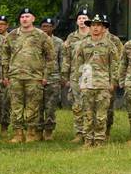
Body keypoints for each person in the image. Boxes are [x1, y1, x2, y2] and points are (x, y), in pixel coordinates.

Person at [1, 7, 55, 143]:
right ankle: (18, 134)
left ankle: (31, 133)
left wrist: (46, 76)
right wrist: (5, 75)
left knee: (33, 106)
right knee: (16, 106)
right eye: (22, 17)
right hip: (15, 76)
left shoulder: (41, 35)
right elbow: (5, 56)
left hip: (34, 76)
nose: (24, 19)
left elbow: (50, 57)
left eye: (27, 16)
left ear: (33, 19)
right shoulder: (12, 35)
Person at [76, 14, 120, 147]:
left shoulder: (109, 45)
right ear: (90, 27)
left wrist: (113, 82)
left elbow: (115, 65)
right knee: (87, 113)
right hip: (87, 84)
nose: (95, 28)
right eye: (93, 25)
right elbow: (79, 64)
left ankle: (100, 139)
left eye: (99, 25)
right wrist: (80, 82)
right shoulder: (83, 44)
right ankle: (88, 139)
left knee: (101, 115)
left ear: (103, 28)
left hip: (103, 84)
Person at [64, 8, 92, 143]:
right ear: (76, 21)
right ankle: (79, 132)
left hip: (91, 76)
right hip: (75, 75)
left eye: (85, 18)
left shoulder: (94, 36)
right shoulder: (71, 37)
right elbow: (66, 57)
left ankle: (90, 132)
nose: (82, 21)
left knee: (90, 104)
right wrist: (65, 75)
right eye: (80, 18)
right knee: (77, 105)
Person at [39, 17, 64, 140]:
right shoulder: (36, 40)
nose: (45, 28)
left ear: (53, 28)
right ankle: (37, 131)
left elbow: (62, 60)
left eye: (48, 26)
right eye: (43, 26)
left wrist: (62, 77)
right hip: (37, 77)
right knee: (37, 106)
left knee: (50, 107)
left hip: (53, 78)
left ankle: (48, 131)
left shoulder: (59, 42)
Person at [0, 15, 12, 133]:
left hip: (7, 75)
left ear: (7, 26)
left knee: (6, 102)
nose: (0, 26)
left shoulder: (11, 38)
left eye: (2, 24)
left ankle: (4, 126)